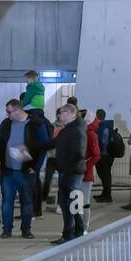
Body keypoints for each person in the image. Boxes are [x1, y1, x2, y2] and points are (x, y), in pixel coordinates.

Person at [0, 99, 36, 239]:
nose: (8, 115)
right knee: (7, 201)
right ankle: (6, 230)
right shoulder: (6, 124)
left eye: (9, 112)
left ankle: (26, 229)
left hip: (26, 171)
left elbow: (41, 146)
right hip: (8, 171)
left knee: (26, 201)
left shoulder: (34, 124)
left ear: (18, 110)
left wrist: (35, 166)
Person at [47, 103, 88, 244]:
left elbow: (78, 153)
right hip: (67, 171)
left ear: (71, 113)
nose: (59, 115)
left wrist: (64, 165)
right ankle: (75, 231)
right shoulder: (67, 130)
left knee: (70, 204)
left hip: (72, 172)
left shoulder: (77, 130)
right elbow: (53, 143)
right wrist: (33, 146)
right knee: (69, 204)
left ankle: (71, 233)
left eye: (62, 112)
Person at [25, 95, 53, 215]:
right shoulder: (44, 120)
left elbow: (43, 145)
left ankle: (36, 210)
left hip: (35, 159)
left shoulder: (37, 122)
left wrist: (36, 166)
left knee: (34, 184)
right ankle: (36, 209)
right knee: (36, 183)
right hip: (36, 159)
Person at [82, 109, 101, 231]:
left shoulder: (90, 133)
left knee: (84, 202)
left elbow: (96, 155)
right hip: (81, 171)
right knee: (78, 201)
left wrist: (85, 166)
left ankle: (84, 227)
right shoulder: (85, 132)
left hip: (85, 173)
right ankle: (79, 226)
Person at [94, 109, 115, 202]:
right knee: (105, 174)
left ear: (97, 115)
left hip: (103, 155)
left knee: (104, 174)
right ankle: (105, 193)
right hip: (108, 154)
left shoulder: (102, 127)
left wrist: (102, 150)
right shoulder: (108, 126)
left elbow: (103, 141)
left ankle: (107, 195)